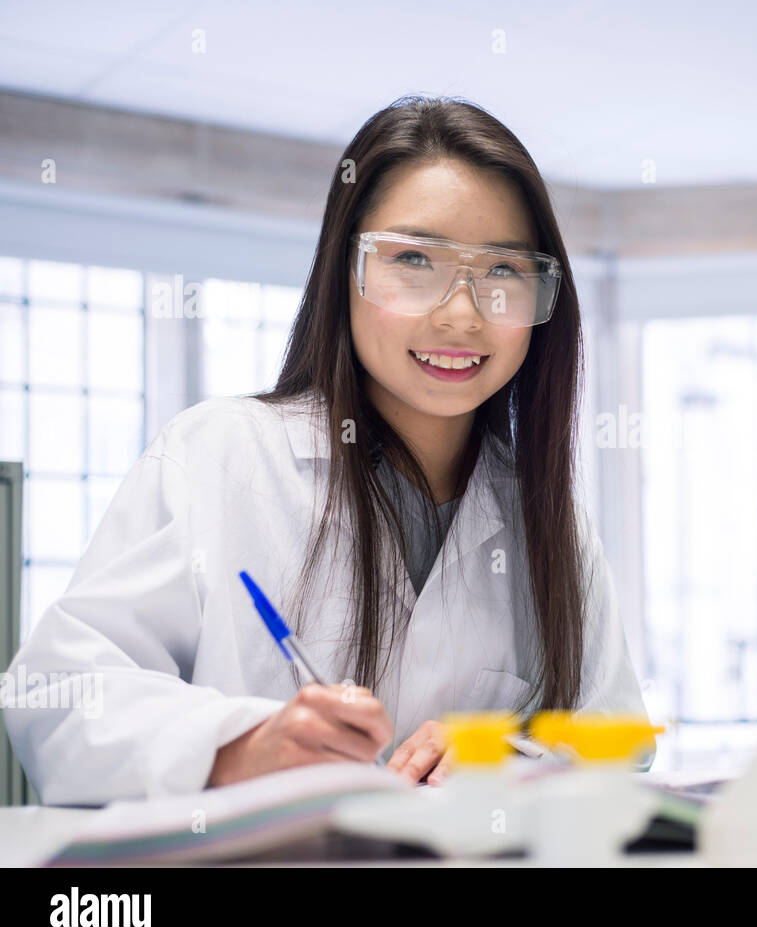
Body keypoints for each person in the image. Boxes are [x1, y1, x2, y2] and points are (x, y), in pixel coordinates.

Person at [5, 96, 650, 806]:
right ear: (344, 271)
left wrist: (509, 758)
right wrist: (242, 746)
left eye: (502, 271)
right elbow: (60, 695)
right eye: (413, 258)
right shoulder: (218, 458)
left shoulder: (548, 523)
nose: (463, 313)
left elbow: (622, 741)